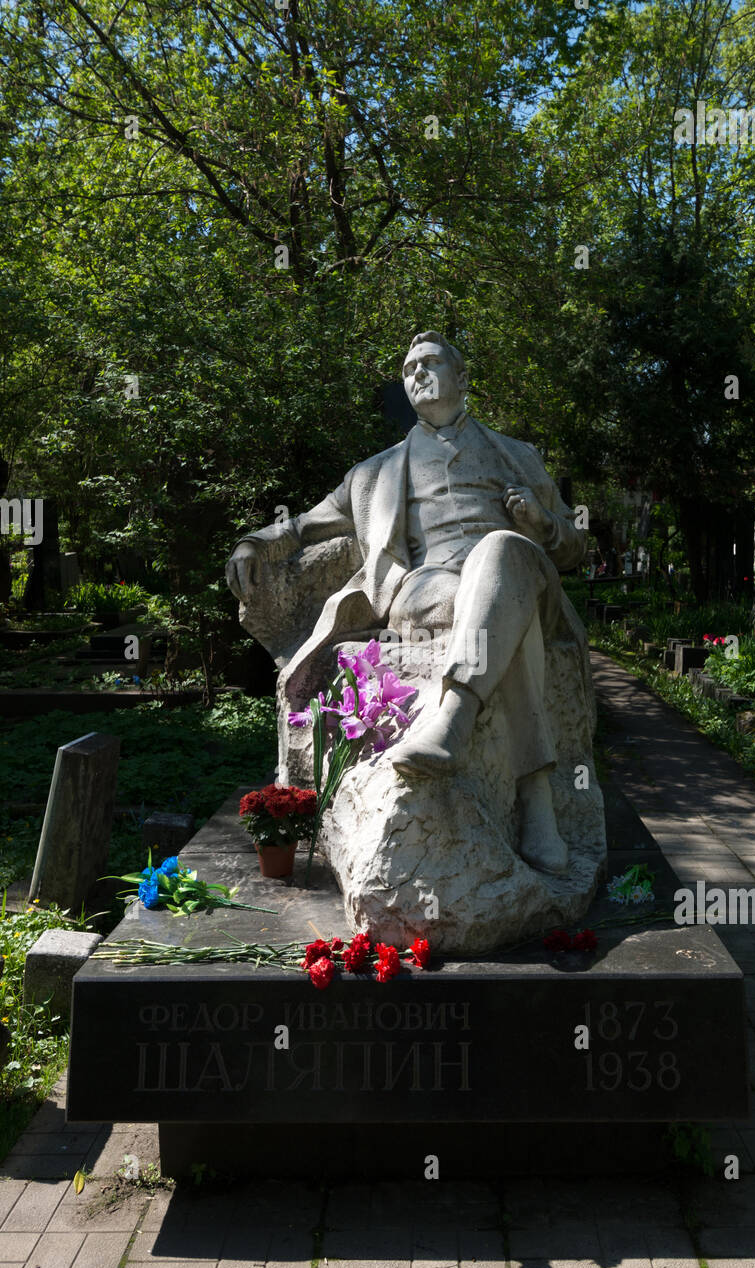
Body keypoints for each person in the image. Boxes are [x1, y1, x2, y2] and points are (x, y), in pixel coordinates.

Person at [226, 332, 588, 875]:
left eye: (431, 362)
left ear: (463, 379)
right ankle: (536, 804)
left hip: (519, 574)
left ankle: (455, 719)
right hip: (428, 591)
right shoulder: (374, 473)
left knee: (500, 551)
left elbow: (576, 548)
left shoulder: (518, 457)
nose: (417, 373)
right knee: (502, 621)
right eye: (408, 367)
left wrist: (542, 526)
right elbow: (303, 525)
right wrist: (253, 541)